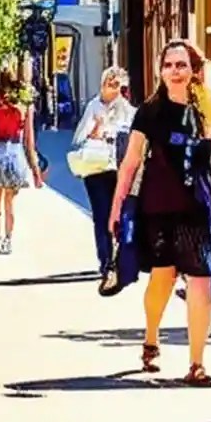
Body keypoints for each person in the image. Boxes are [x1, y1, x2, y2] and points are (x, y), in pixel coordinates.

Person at [109, 39, 211, 388]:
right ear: (161, 71)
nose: (175, 71)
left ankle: (196, 364)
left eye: (181, 65)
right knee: (162, 279)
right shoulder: (150, 111)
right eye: (169, 65)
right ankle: (151, 336)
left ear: (193, 70)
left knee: (201, 280)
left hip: (199, 207)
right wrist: (117, 206)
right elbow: (131, 161)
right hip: (159, 206)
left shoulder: (207, 108)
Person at [72, 66, 134, 275]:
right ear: (103, 84)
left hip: (117, 166)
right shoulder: (93, 107)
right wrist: (98, 129)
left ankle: (120, 257)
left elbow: (133, 133)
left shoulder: (125, 108)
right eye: (111, 84)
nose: (114, 90)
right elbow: (81, 137)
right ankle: (105, 260)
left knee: (120, 213)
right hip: (95, 167)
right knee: (101, 214)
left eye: (118, 85)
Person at [0, 70, 43, 254]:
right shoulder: (25, 108)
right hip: (15, 154)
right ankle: (7, 239)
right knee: (10, 201)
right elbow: (29, 141)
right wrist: (36, 171)